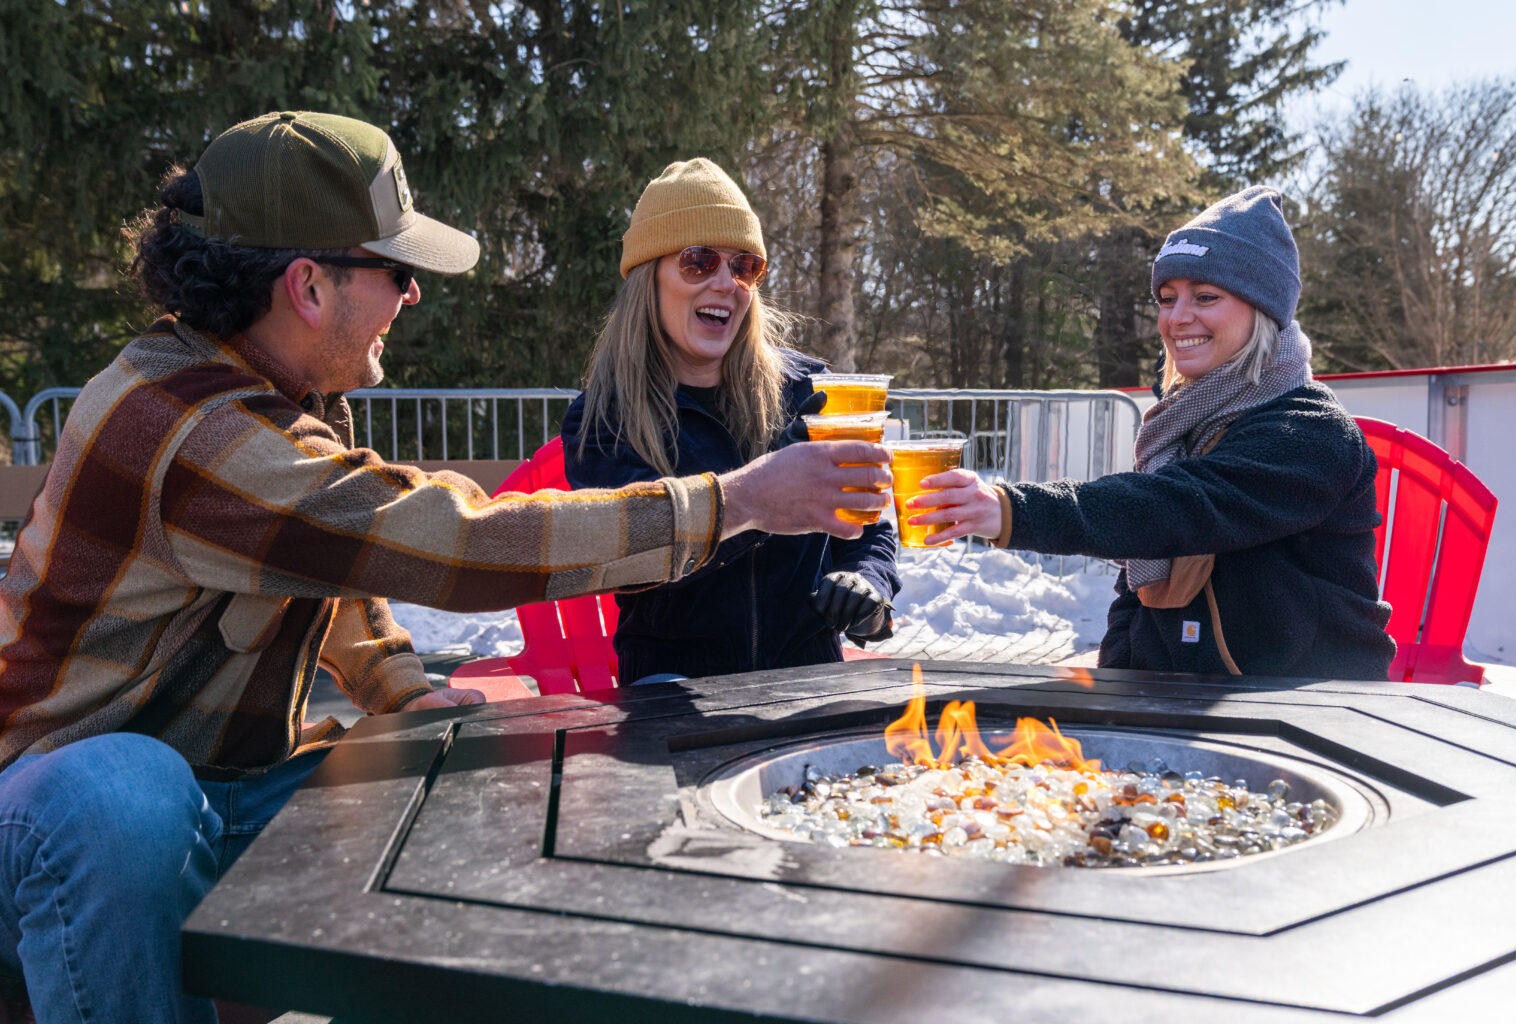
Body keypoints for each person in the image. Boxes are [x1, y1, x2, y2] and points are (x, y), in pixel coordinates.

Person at [0, 112, 891, 1024]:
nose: (413, 297)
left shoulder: (276, 400)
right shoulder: (192, 429)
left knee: (472, 764)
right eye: (398, 271)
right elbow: (450, 541)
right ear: (309, 284)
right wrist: (735, 501)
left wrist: (398, 690)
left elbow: (326, 563)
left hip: (220, 792)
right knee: (118, 792)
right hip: (46, 824)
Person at [906, 186, 1395, 680]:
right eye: (1167, 298)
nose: (1177, 317)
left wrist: (1009, 510)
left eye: (1206, 296)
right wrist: (1115, 693)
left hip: (1313, 705)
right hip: (1195, 701)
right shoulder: (1185, 423)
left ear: (1263, 309)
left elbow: (1173, 509)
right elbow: (1138, 591)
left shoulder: (1311, 432)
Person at [561, 158, 900, 684]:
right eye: (699, 261)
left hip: (804, 674)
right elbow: (630, 563)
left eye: (744, 266)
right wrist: (764, 486)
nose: (727, 282)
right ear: (650, 278)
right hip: (673, 688)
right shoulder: (604, 416)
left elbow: (867, 518)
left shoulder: (807, 391)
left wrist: (866, 585)